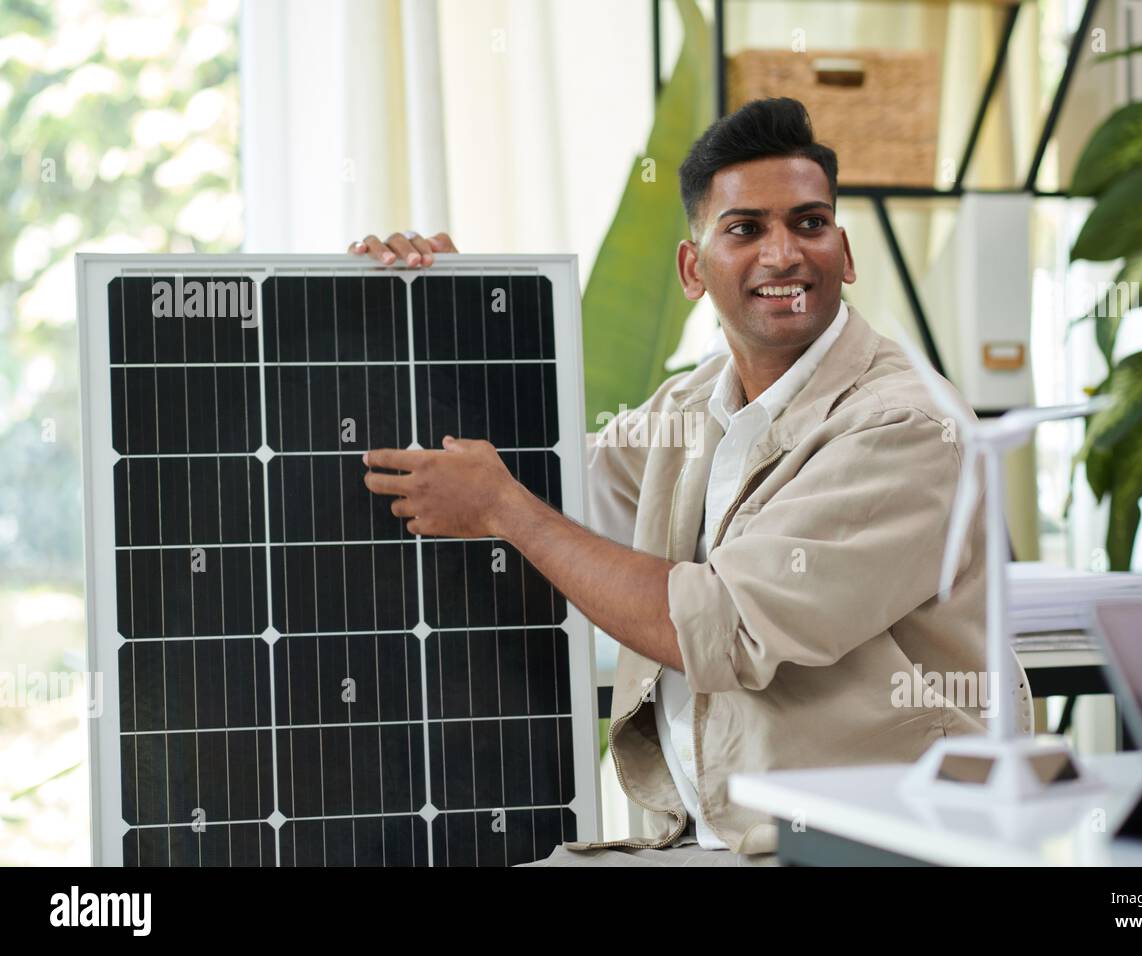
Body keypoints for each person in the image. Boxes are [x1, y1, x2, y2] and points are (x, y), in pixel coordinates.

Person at [350, 97, 1021, 867]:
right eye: (746, 229)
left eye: (810, 223)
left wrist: (505, 507)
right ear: (692, 269)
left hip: (870, 846)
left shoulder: (907, 425)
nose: (784, 255)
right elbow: (552, 484)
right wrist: (436, 306)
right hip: (700, 841)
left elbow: (725, 625)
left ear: (846, 250)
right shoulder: (690, 407)